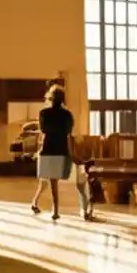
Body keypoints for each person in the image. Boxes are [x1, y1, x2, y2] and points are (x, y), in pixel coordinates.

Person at [31, 85, 91, 221]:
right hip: (62, 149)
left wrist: (39, 149)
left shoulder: (44, 113)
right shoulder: (67, 115)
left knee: (48, 181)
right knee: (50, 181)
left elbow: (43, 132)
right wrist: (72, 153)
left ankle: (54, 209)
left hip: (48, 148)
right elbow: (68, 135)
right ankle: (38, 204)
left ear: (50, 98)